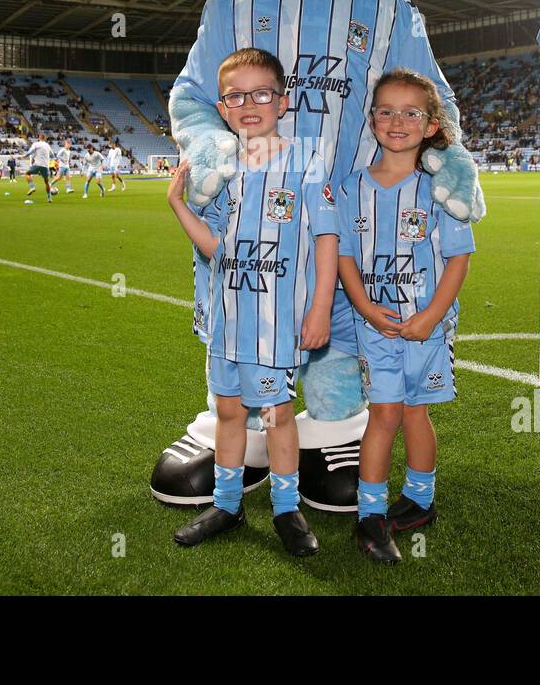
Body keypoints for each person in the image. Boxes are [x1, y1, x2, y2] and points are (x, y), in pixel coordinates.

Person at [166, 49, 337, 556]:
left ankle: (286, 509)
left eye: (261, 93)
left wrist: (321, 307)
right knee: (229, 411)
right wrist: (177, 204)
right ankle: (227, 504)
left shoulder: (307, 160)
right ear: (222, 108)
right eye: (236, 96)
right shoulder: (222, 169)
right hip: (228, 320)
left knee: (278, 416)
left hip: (278, 321)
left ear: (283, 102)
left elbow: (327, 240)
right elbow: (216, 247)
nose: (249, 104)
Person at [337, 69, 474, 564]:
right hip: (374, 323)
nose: (398, 121)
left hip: (428, 328)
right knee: (384, 412)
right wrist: (367, 308)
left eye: (411, 112)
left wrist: (432, 316)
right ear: (372, 120)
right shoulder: (351, 188)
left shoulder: (442, 189)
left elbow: (459, 258)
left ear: (432, 124)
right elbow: (345, 258)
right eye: (386, 111)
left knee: (416, 409)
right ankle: (370, 516)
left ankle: (420, 499)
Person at [23, 134, 55, 201]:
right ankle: (49, 198)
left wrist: (25, 155)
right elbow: (52, 155)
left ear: (39, 138)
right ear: (45, 138)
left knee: (27, 173)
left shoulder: (36, 144)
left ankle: (32, 187)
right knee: (46, 182)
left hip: (37, 164)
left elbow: (30, 151)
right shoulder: (47, 145)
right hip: (45, 166)